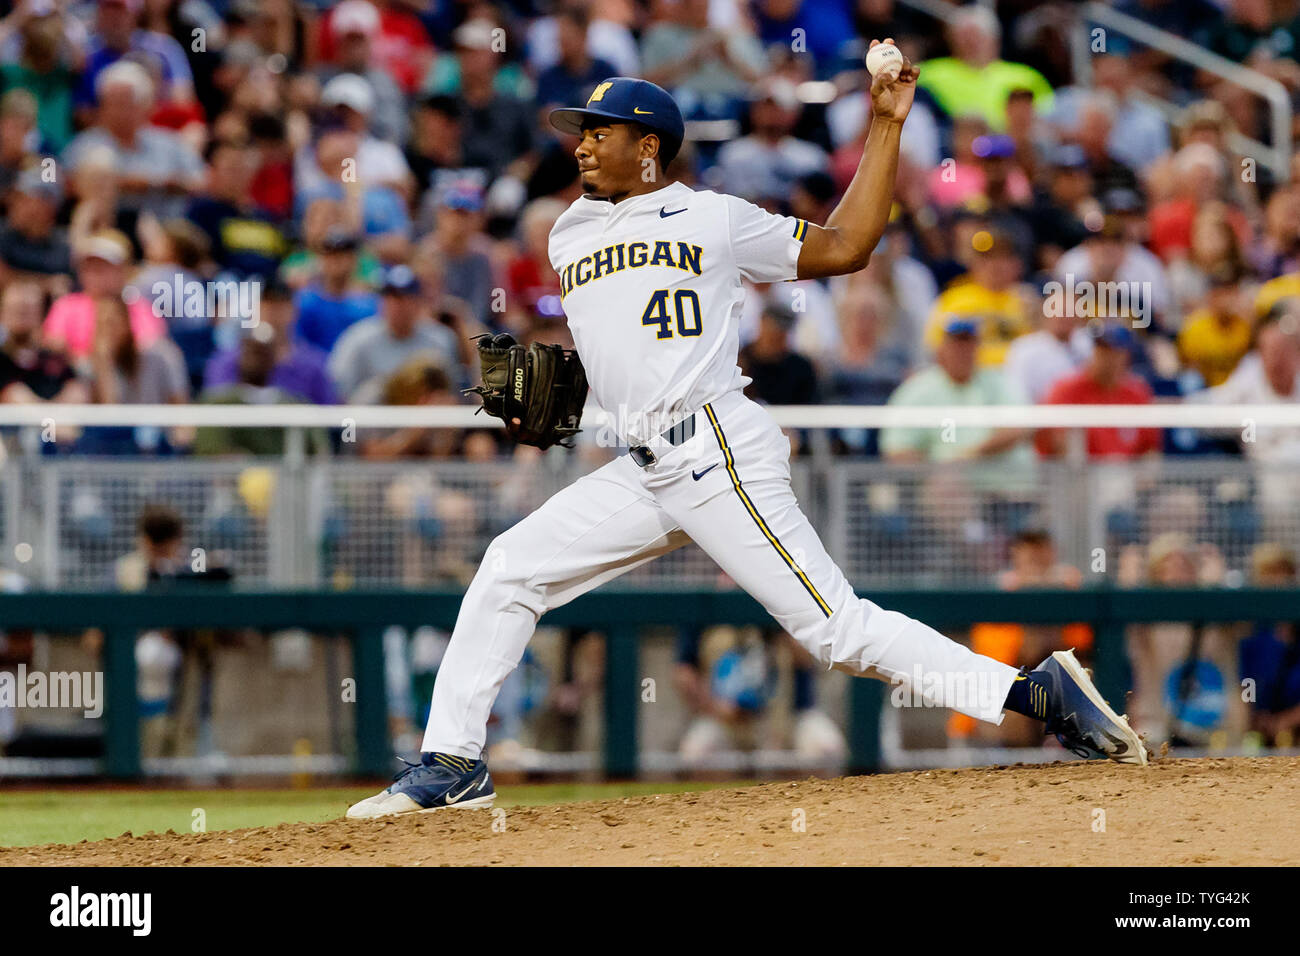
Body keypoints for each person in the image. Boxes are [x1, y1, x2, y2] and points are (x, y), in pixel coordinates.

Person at [349, 56, 1147, 819]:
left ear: (650, 145)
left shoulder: (712, 217)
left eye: (601, 129)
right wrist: (556, 411)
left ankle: (1032, 695)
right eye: (580, 130)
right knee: (509, 568)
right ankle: (453, 762)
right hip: (643, 465)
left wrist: (884, 126)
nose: (584, 141)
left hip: (715, 448)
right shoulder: (567, 234)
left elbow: (844, 246)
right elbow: (619, 370)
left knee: (835, 630)